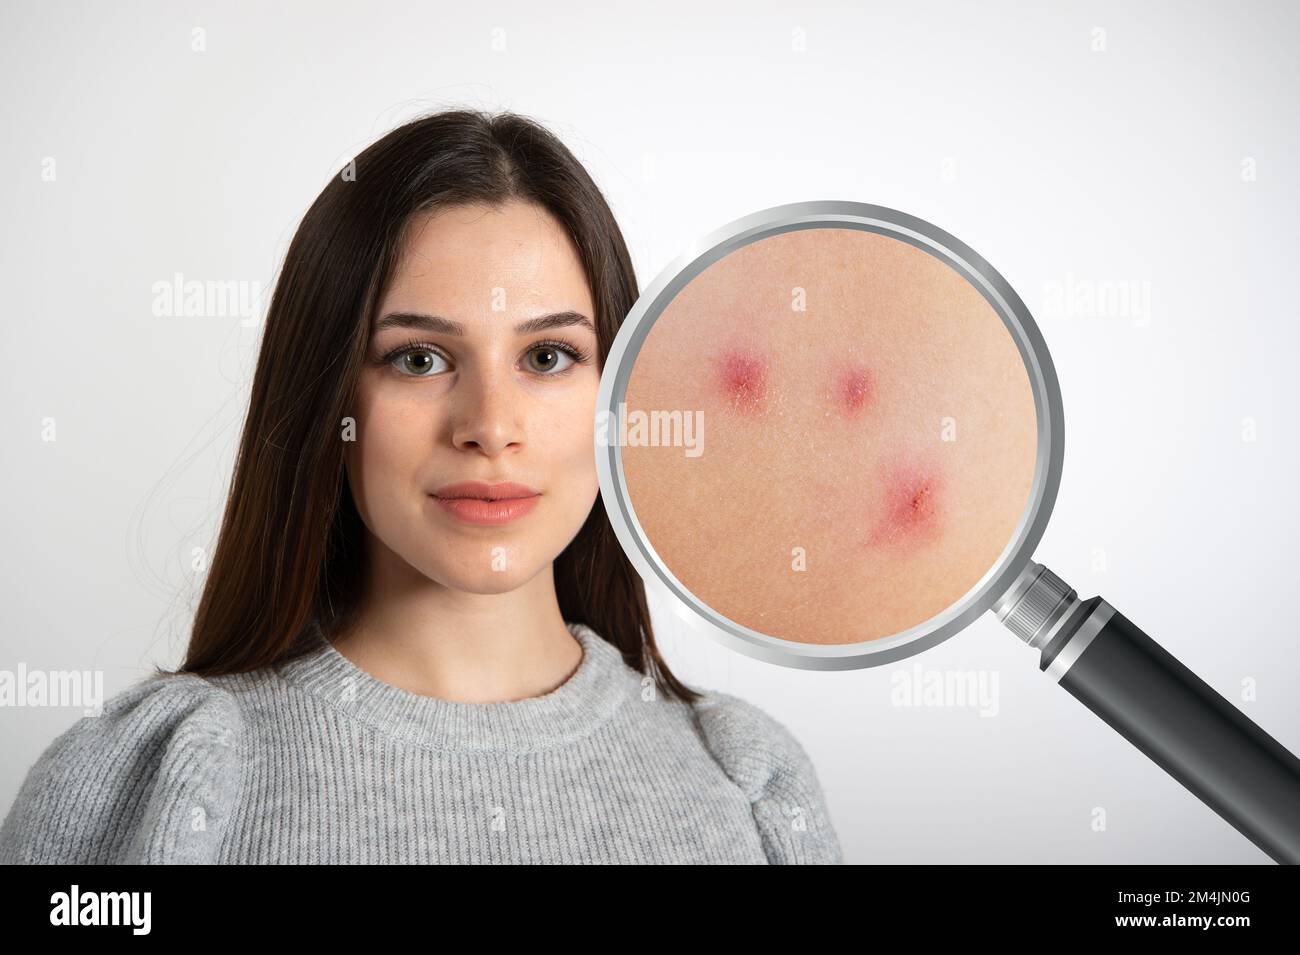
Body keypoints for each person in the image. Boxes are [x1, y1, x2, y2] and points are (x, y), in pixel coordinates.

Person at [0, 109, 843, 864]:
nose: (489, 423)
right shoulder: (160, 781)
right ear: (330, 393)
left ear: (618, 393)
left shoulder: (750, 784)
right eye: (420, 358)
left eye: (547, 357)